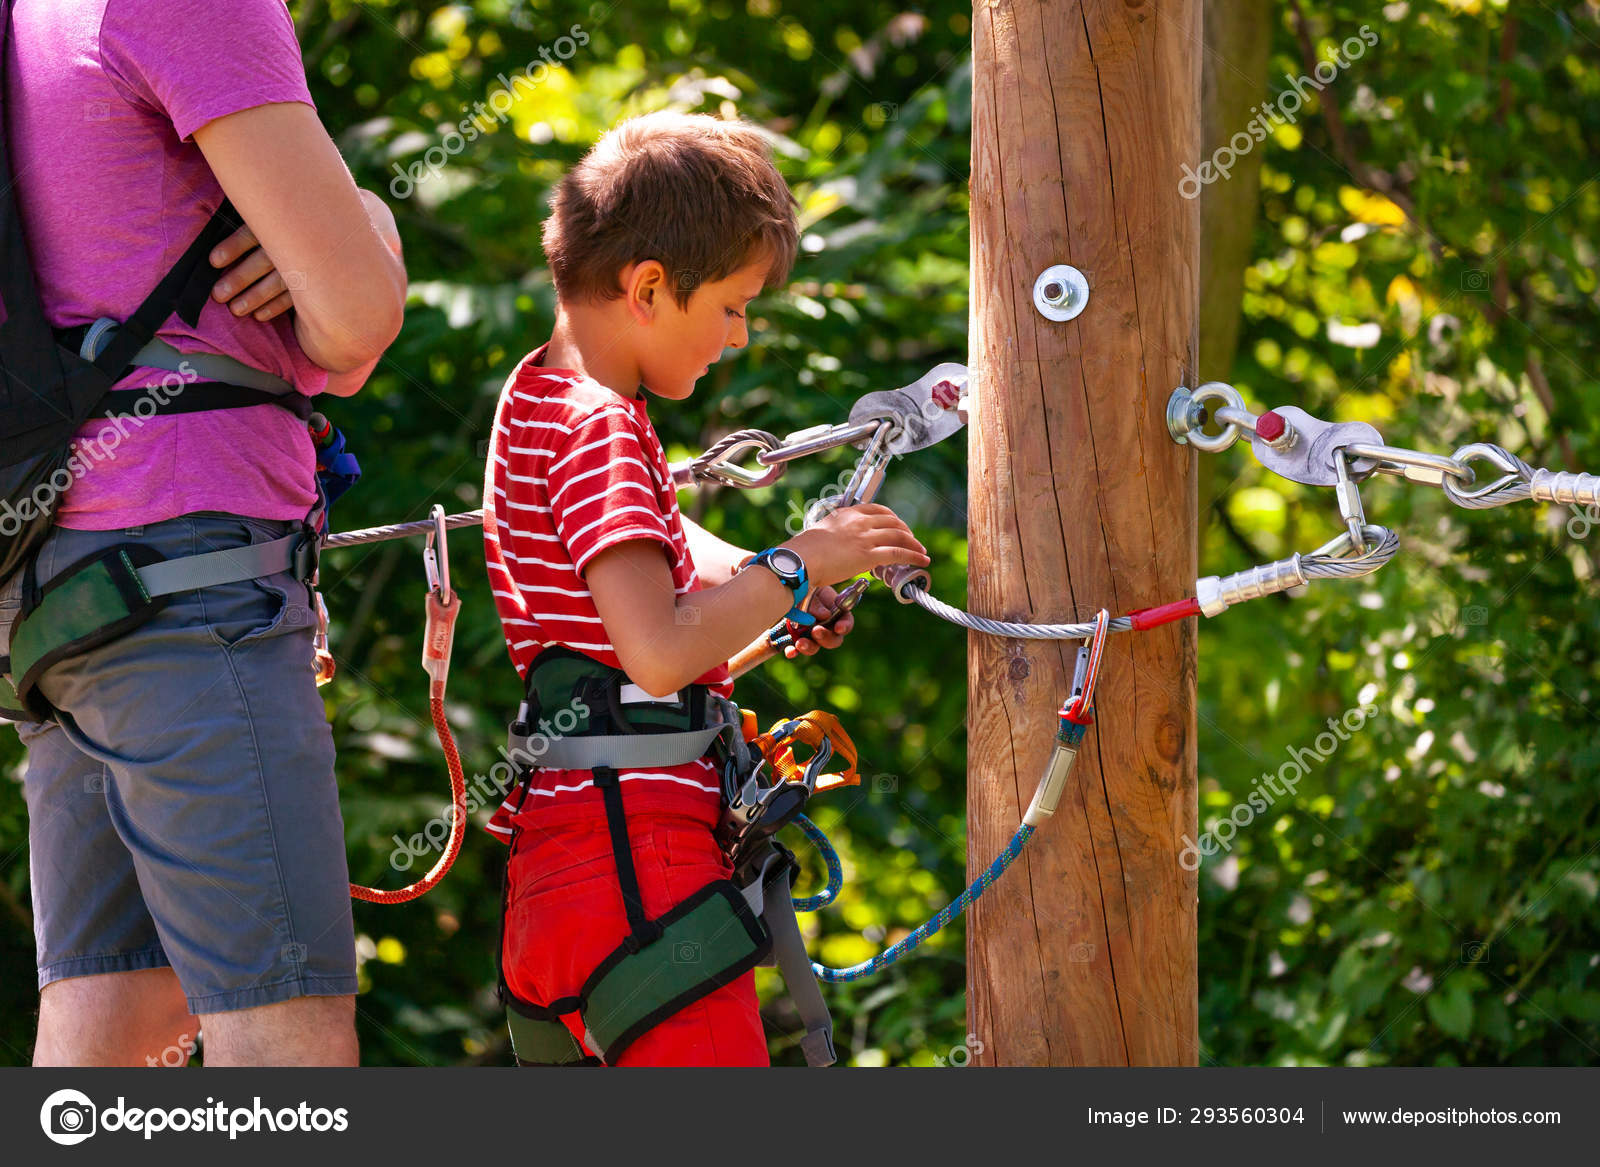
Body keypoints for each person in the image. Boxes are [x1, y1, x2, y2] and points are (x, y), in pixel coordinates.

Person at [0, 0, 406, 1066]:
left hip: (55, 591)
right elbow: (354, 322)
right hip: (192, 583)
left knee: (113, 1034)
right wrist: (368, 220)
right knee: (287, 1041)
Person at [483, 110, 929, 1066]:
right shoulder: (605, 426)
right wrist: (797, 564)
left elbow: (654, 554)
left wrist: (773, 584)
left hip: (555, 883)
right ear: (649, 287)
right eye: (731, 306)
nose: (735, 336)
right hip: (639, 867)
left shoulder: (537, 399)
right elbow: (656, 647)